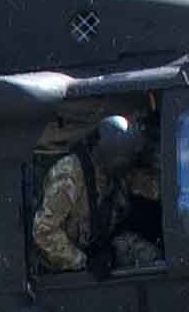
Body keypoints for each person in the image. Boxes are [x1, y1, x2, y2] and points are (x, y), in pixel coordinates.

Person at [29, 116, 163, 278]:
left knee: (152, 259)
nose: (125, 167)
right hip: (63, 264)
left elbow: (154, 190)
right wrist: (83, 262)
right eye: (122, 162)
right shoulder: (69, 175)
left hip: (99, 248)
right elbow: (44, 231)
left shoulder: (116, 171)